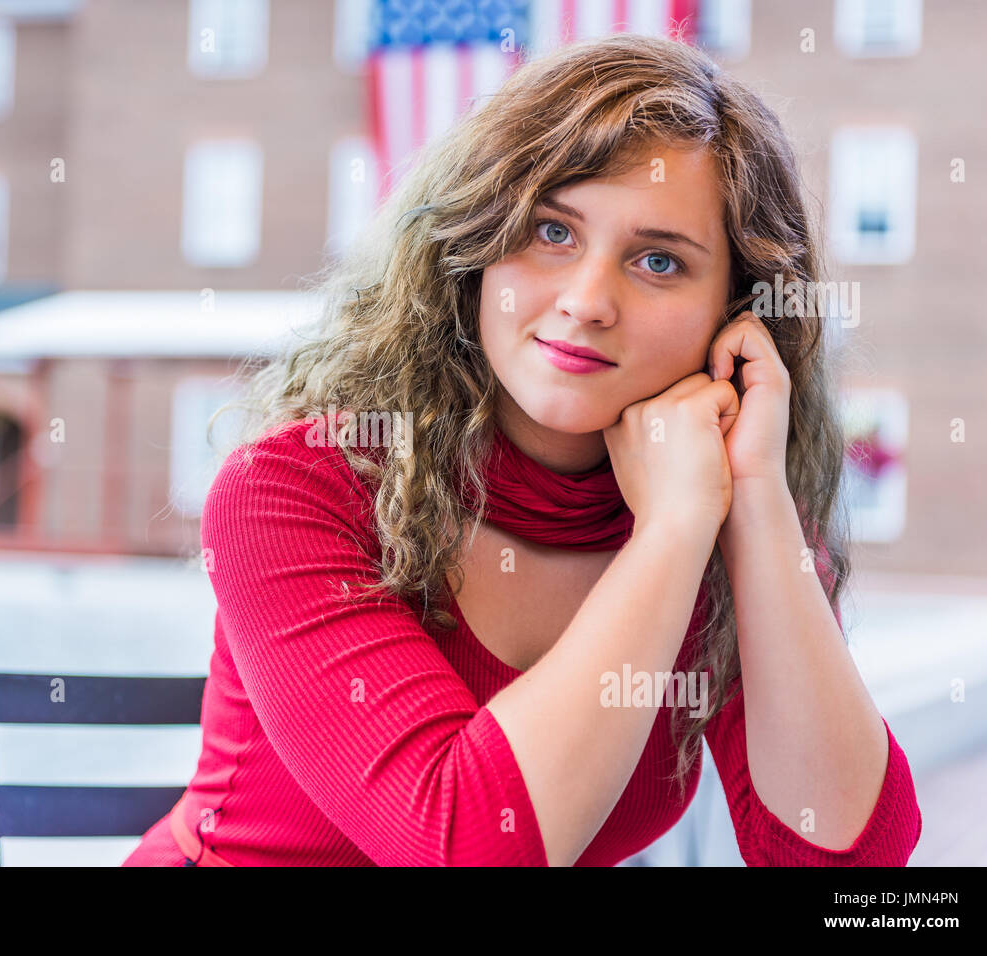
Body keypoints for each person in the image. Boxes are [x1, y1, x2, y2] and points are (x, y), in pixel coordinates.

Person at [123, 33, 921, 867]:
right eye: (552, 231)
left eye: (658, 261)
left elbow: (849, 870)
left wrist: (754, 504)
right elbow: (466, 843)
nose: (585, 302)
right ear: (474, 243)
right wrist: (671, 534)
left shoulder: (727, 506)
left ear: (737, 313)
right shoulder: (296, 486)